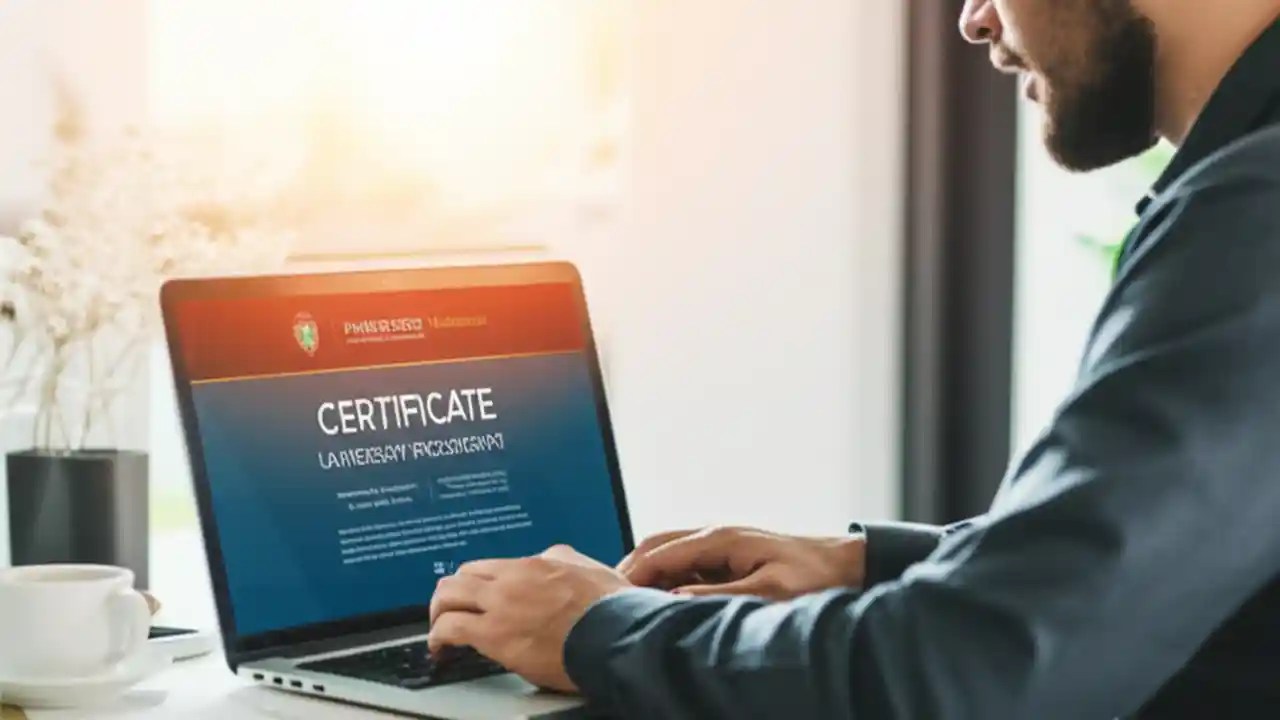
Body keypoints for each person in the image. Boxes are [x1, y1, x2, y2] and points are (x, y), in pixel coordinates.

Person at [427, 1, 1280, 717]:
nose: (973, 19)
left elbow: (966, 673)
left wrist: (600, 631)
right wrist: (877, 566)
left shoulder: (1251, 211)